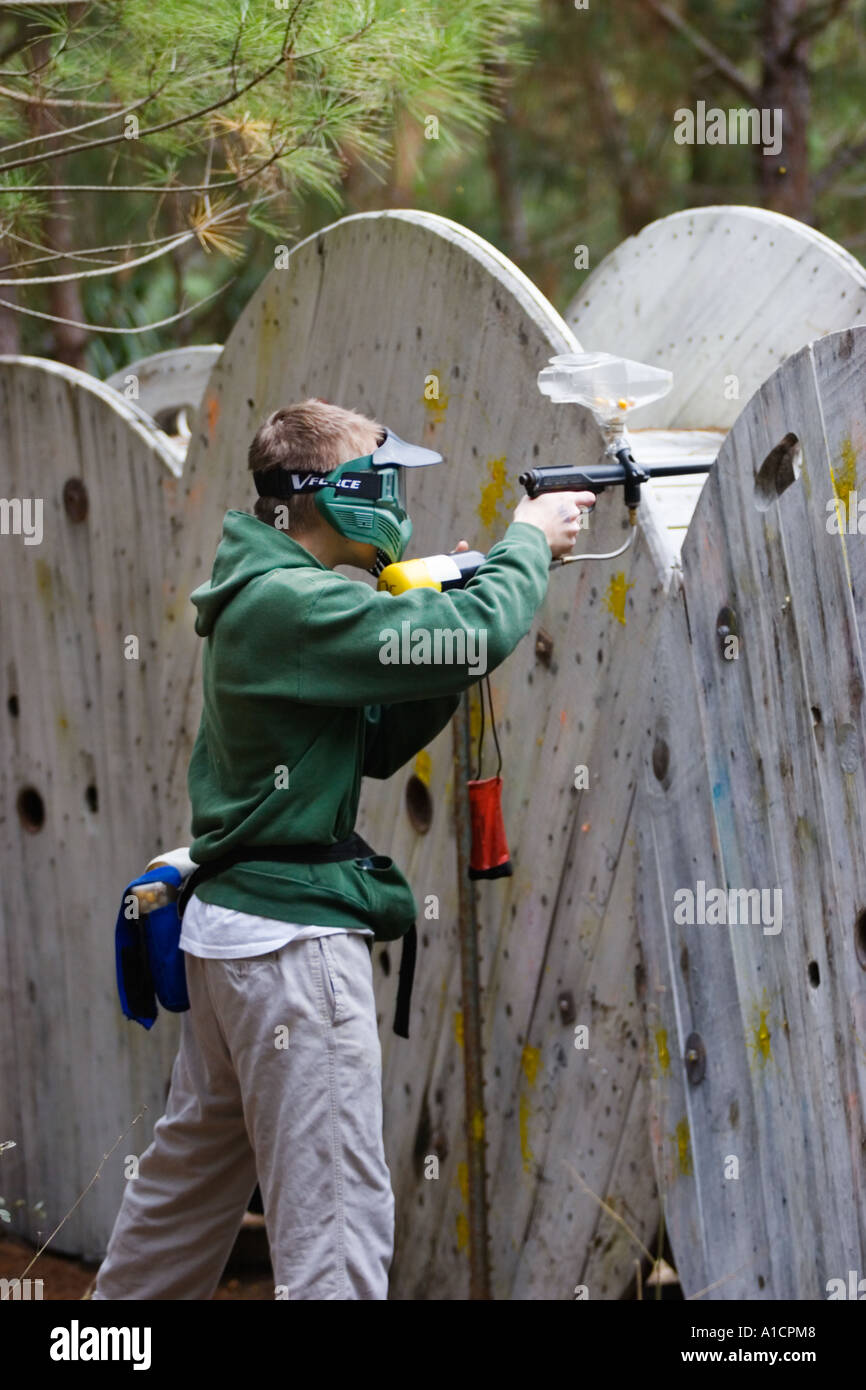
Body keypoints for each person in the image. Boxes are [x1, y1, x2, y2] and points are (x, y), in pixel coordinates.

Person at [92, 398, 594, 1300]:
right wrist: (524, 545)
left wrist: (449, 609)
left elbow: (368, 738)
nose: (398, 499)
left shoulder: (268, 590)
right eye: (386, 477)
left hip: (235, 944)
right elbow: (470, 638)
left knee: (178, 1208)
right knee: (334, 1235)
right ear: (342, 494)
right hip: (291, 953)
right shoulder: (294, 601)